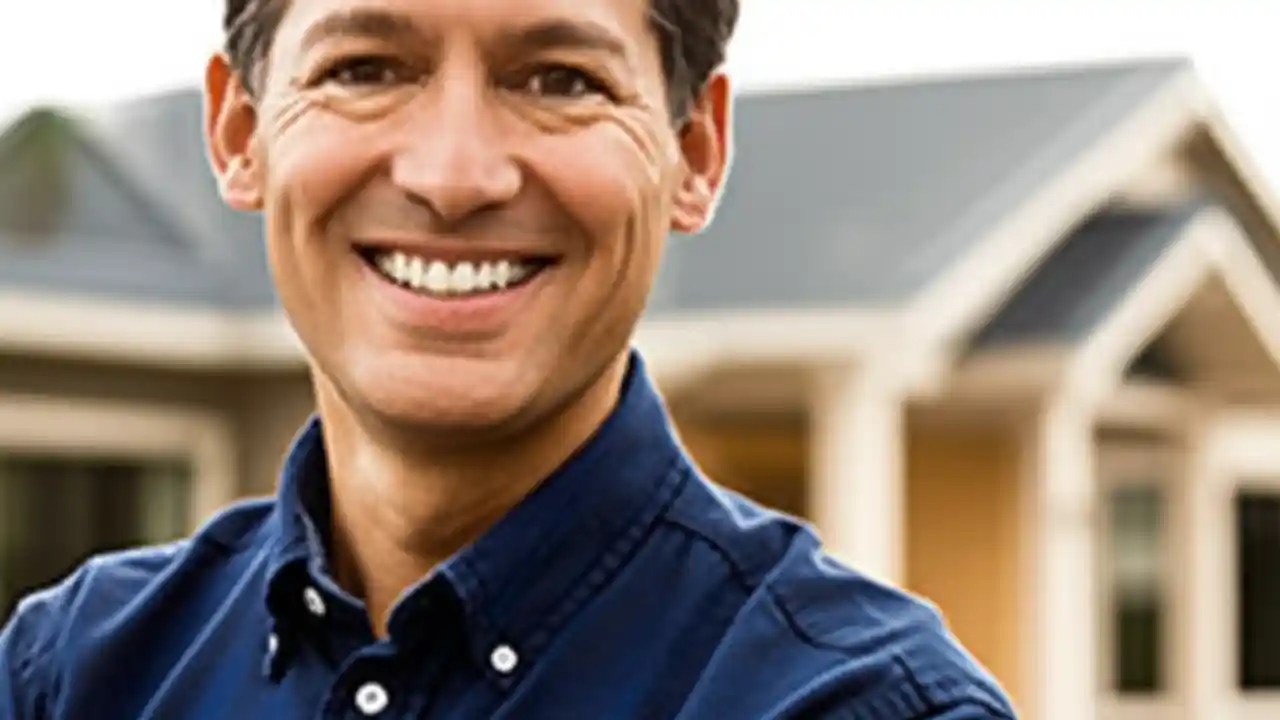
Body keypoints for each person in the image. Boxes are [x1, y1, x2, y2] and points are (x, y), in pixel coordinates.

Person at [0, 0, 1017, 717]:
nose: (453, 177)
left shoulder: (855, 706)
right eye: (364, 68)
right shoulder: (73, 676)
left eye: (558, 80)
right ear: (238, 132)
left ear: (694, 153)